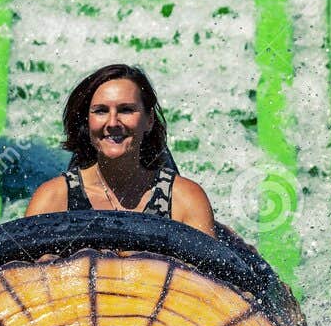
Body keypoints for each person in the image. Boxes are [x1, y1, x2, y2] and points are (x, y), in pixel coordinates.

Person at [26, 63, 215, 236]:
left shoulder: (184, 199)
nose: (113, 123)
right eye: (101, 111)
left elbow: (207, 262)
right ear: (87, 121)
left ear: (149, 120)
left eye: (126, 110)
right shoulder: (53, 199)